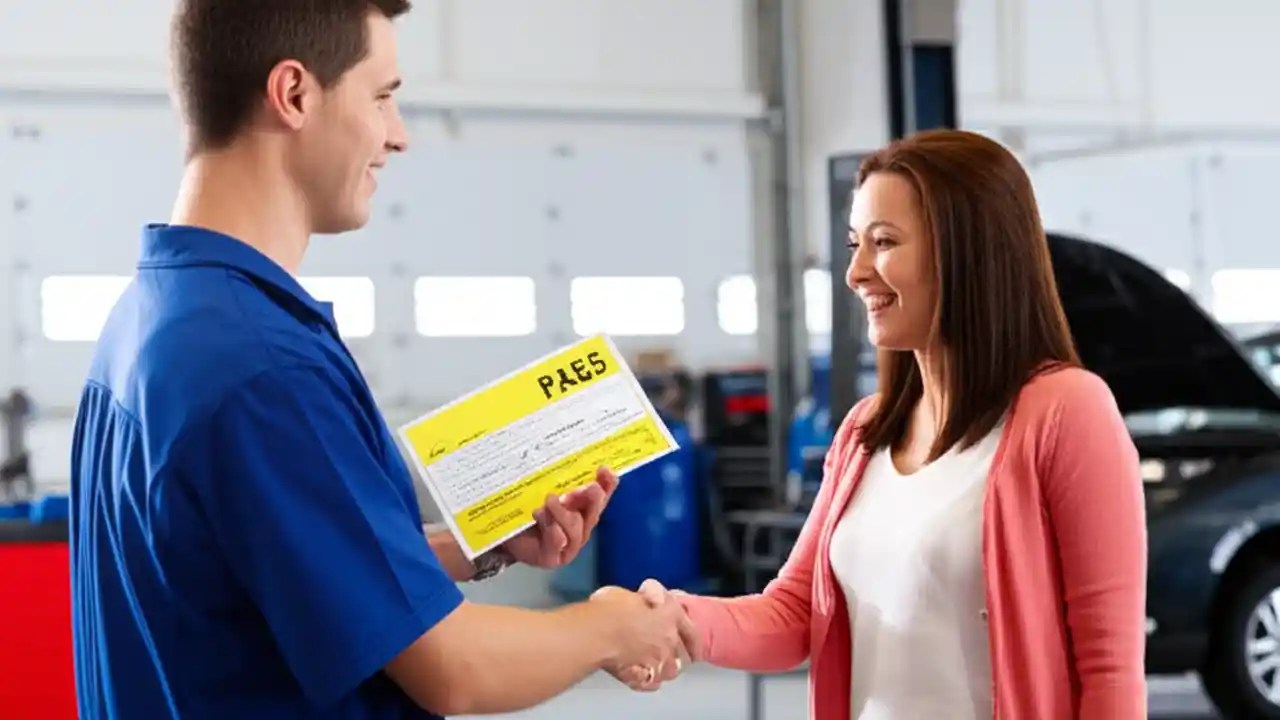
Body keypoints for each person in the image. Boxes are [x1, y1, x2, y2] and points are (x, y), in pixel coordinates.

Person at [68, 2, 695, 718]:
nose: (398, 136)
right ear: (295, 94)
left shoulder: (154, 316)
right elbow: (453, 668)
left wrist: (478, 546)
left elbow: (286, 575)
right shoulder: (264, 366)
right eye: (384, 97)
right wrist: (610, 627)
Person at [628, 129, 1149, 718]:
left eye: (884, 242)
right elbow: (795, 612)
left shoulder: (1066, 411)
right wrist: (671, 616)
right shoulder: (863, 431)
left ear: (966, 253)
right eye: (855, 243)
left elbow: (1109, 668)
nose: (855, 272)